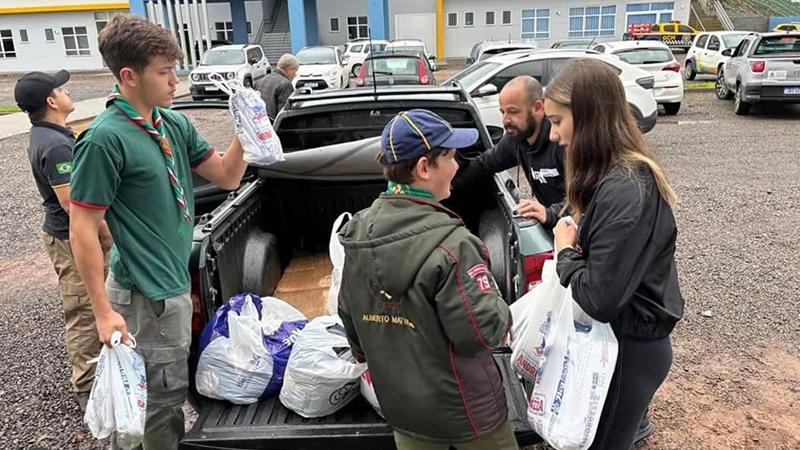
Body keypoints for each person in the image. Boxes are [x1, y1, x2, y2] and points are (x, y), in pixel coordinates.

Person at [69, 14, 248, 449]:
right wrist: (102, 312)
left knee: (165, 401)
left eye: (174, 69)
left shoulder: (171, 125)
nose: (175, 81)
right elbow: (82, 229)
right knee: (153, 410)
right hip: (142, 298)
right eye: (164, 72)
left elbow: (227, 176)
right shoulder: (104, 139)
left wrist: (248, 126)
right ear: (129, 76)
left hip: (172, 288)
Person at [337, 109, 518, 450]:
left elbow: (350, 320)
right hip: (468, 413)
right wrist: (503, 311)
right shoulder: (454, 246)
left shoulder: (357, 233)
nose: (457, 166)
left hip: (404, 412)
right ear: (423, 168)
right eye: (450, 157)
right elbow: (481, 333)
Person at [546, 59, 684, 450]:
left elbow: (599, 299)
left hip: (628, 353)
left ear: (588, 116)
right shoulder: (612, 178)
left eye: (558, 121)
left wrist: (565, 253)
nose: (553, 135)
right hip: (618, 344)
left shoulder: (627, 188)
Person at [15, 70, 110, 412]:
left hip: (70, 235)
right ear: (51, 101)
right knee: (83, 308)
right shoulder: (55, 145)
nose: (67, 91)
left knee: (93, 302)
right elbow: (73, 204)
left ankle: (102, 370)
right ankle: (87, 387)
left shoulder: (52, 134)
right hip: (71, 239)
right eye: (61, 88)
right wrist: (106, 236)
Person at [453, 75, 566, 229]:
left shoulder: (562, 141)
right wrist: (446, 185)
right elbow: (485, 164)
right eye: (503, 112)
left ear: (538, 108)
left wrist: (550, 214)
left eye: (513, 112)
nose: (505, 120)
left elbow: (584, 197)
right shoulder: (517, 139)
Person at [255, 53, 299, 119]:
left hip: (260, 121)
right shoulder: (285, 84)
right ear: (289, 69)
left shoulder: (259, 81)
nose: (295, 75)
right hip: (273, 123)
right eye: (295, 71)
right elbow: (285, 114)